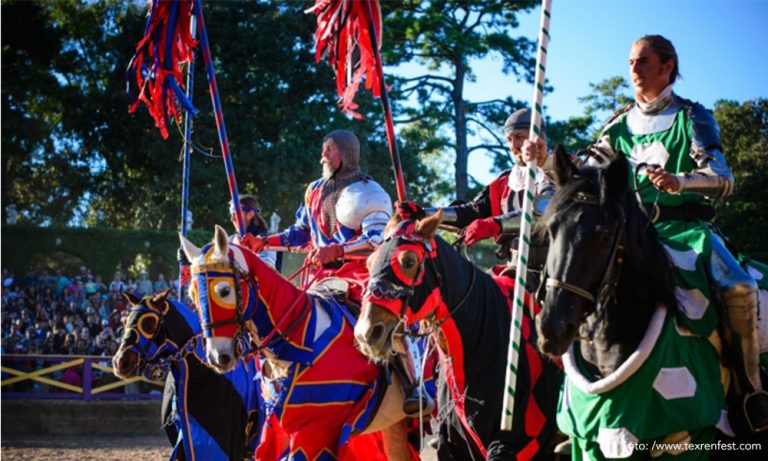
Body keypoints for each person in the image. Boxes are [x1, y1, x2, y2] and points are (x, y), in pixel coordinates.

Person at [585, 34, 768, 432]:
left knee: (739, 287)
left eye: (643, 61)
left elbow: (724, 179)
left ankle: (751, 389)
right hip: (635, 237)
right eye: (631, 61)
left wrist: (680, 182)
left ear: (668, 66)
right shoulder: (617, 127)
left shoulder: (693, 116)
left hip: (690, 232)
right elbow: (585, 178)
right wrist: (546, 159)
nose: (634, 69)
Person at [399, 108, 553, 280]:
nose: (512, 146)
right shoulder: (504, 181)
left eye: (518, 137)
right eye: (509, 139)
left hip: (553, 271)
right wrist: (424, 214)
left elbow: (543, 213)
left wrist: (495, 224)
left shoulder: (558, 170)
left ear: (537, 137)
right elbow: (473, 212)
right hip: (513, 269)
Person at [240, 129, 392, 301]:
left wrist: (337, 250)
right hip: (316, 276)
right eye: (323, 149)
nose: (323, 154)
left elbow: (376, 241)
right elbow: (301, 234)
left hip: (357, 278)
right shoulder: (314, 191)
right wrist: (263, 242)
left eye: (330, 148)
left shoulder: (369, 192)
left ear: (346, 152)